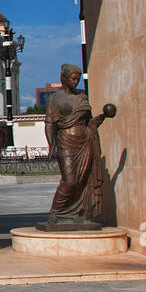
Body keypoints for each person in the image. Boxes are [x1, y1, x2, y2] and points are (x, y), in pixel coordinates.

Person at [42, 63, 116, 229]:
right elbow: (49, 123)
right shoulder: (55, 98)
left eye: (78, 79)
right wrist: (51, 143)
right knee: (69, 181)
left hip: (85, 141)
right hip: (66, 141)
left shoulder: (82, 96)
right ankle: (55, 213)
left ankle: (78, 214)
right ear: (64, 78)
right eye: (73, 79)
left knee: (82, 180)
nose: (76, 82)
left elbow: (88, 121)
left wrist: (101, 117)